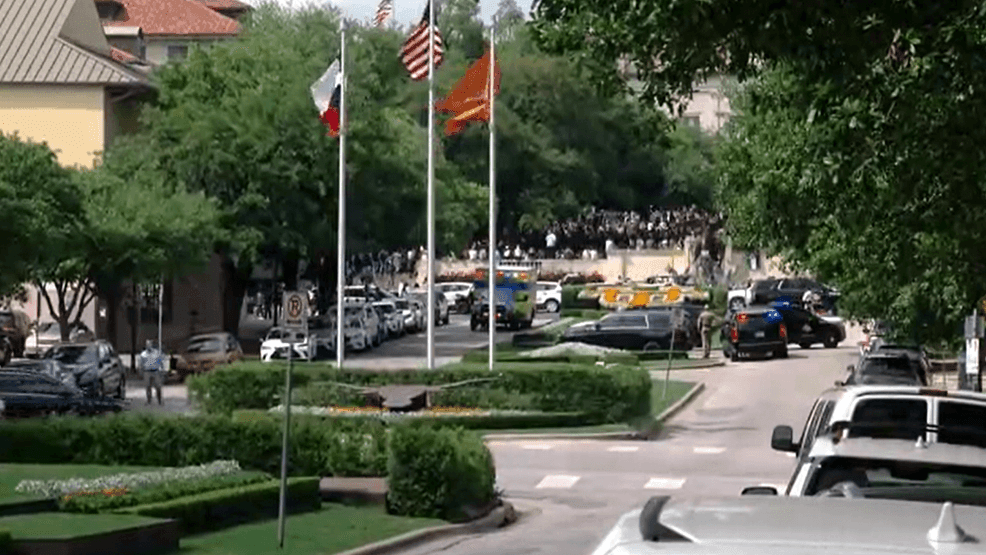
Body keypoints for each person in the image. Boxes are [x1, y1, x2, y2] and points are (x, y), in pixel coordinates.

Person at [139, 339, 164, 405]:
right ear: (146, 345)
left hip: (155, 371)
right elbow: (141, 364)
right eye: (147, 344)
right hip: (147, 372)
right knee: (148, 387)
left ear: (152, 344)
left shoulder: (156, 353)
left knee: (158, 387)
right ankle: (149, 400)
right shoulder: (143, 354)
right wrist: (141, 372)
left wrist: (162, 370)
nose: (148, 345)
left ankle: (159, 400)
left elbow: (160, 361)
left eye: (149, 344)